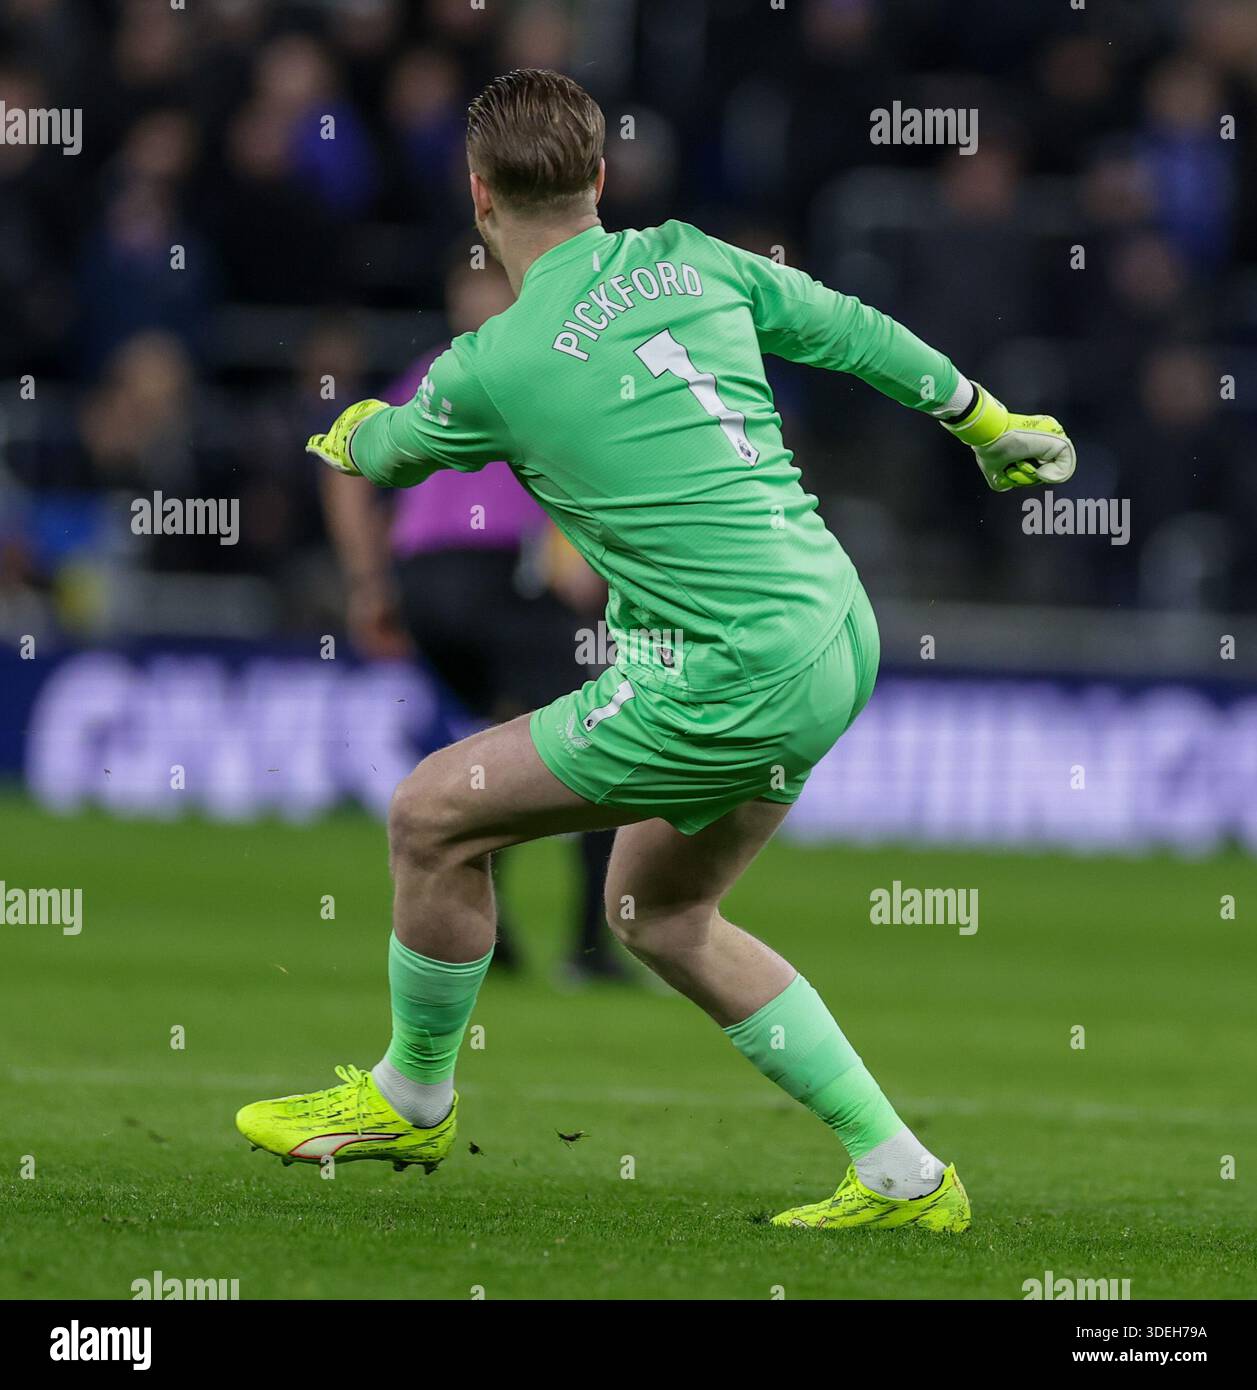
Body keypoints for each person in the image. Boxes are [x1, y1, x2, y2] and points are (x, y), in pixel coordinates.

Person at [238, 69, 1075, 1232]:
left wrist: (342, 429)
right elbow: (854, 330)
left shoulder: (496, 361)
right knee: (659, 914)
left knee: (430, 815)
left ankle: (410, 1096)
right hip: (836, 626)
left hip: (726, 670)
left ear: (478, 198)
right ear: (596, 178)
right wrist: (988, 420)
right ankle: (901, 1176)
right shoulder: (697, 256)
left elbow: (383, 454)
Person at [319, 259, 625, 982]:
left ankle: (493, 941)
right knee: (605, 739)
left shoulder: (435, 370)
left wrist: (369, 580)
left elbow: (343, 465)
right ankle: (588, 948)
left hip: (428, 586)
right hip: (491, 580)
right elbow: (588, 468)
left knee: (501, 754)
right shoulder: (540, 357)